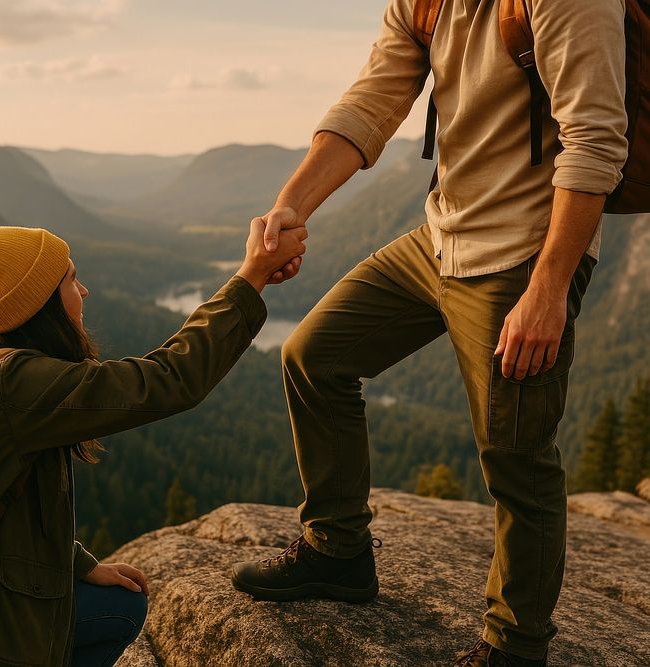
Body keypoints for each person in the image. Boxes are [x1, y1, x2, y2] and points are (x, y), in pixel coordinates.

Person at [230, 1, 628, 665]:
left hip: (524, 255)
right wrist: (288, 206)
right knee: (314, 355)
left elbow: (595, 140)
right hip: (440, 238)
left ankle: (515, 644)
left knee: (515, 452)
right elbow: (372, 102)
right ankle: (338, 550)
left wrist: (549, 290)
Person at [0, 220, 306, 667]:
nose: (85, 291)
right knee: (122, 608)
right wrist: (252, 275)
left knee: (111, 597)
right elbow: (169, 380)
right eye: (72, 280)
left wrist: (77, 566)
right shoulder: (14, 385)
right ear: (38, 303)